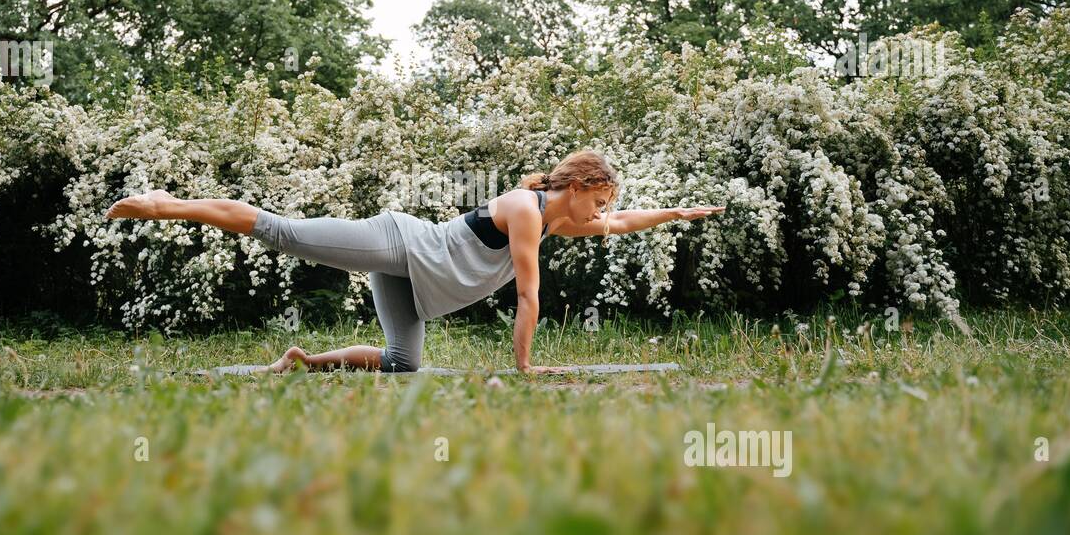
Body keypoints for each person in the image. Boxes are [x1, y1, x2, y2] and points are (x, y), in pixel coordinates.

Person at [104, 149, 724, 374]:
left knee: (402, 364)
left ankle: (301, 360)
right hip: (402, 245)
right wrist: (526, 367)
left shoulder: (568, 217)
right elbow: (528, 296)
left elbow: (622, 224)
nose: (604, 212)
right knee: (285, 233)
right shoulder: (529, 211)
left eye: (608, 204)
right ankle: (166, 205)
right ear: (580, 183)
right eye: (601, 198)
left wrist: (674, 215)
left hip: (415, 281)